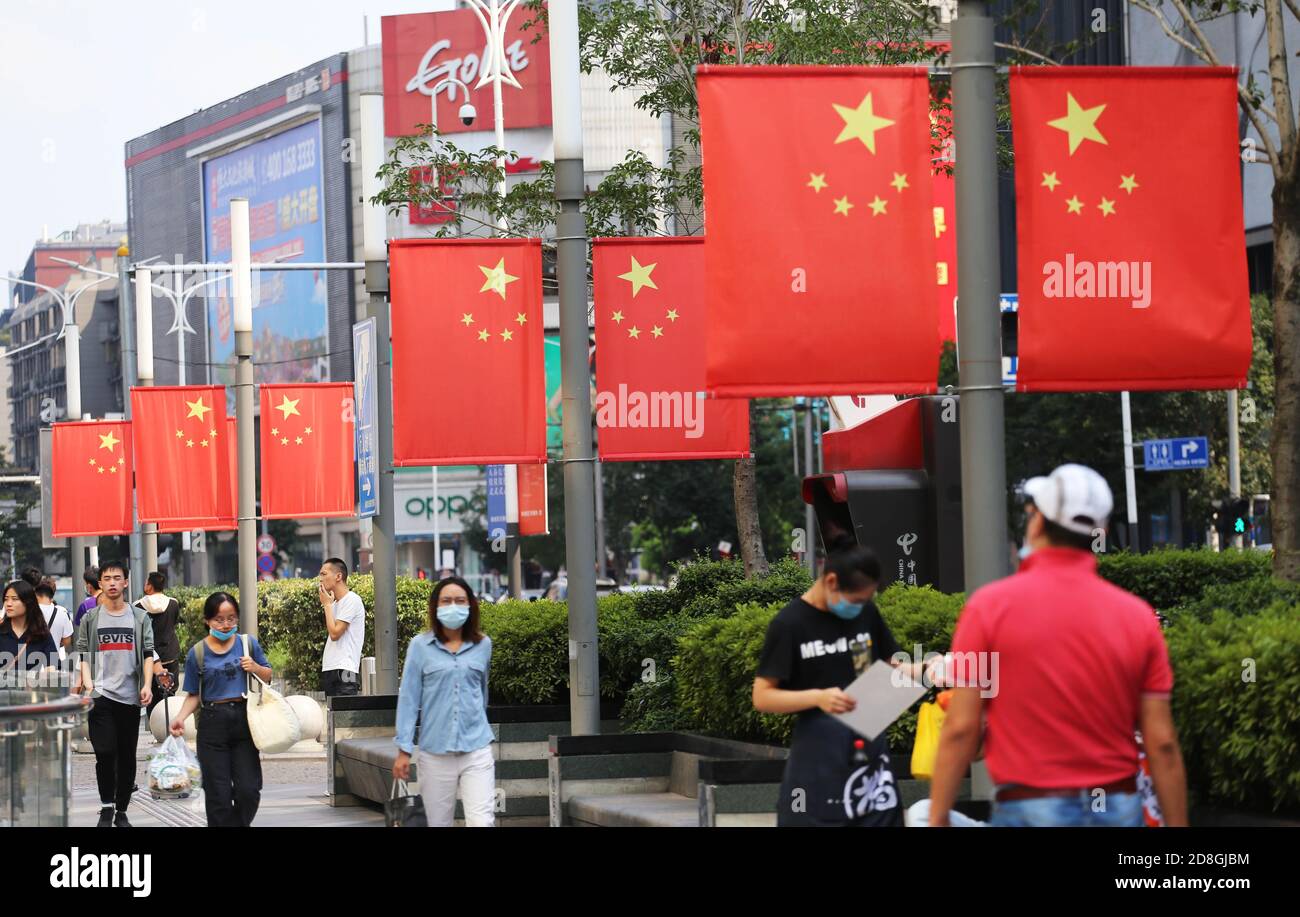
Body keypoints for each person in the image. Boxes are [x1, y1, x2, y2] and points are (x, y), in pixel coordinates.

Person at [927, 463, 1188, 827]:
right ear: (1102, 532)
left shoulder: (989, 608)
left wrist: (938, 816)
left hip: (1029, 808)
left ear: (1036, 522)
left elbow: (961, 728)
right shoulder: (1138, 617)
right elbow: (1161, 743)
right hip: (1117, 806)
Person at [752, 535, 930, 827]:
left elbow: (891, 667)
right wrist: (818, 698)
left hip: (869, 752)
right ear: (831, 582)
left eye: (867, 600)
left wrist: (929, 668)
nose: (861, 607)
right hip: (818, 756)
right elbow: (763, 696)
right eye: (857, 600)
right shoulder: (790, 625)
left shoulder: (865, 614)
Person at [392, 577, 495, 827]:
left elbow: (481, 694)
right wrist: (404, 750)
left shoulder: (483, 645)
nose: (453, 606)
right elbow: (408, 698)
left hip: (476, 748)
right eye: (446, 600)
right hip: (435, 752)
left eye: (460, 601)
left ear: (470, 605)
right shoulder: (420, 646)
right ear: (435, 607)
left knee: (481, 822)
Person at [169, 592, 272, 828]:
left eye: (231, 618)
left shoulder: (248, 644)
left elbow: (268, 674)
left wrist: (254, 666)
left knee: (249, 790)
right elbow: (194, 694)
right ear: (207, 620)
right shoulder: (198, 653)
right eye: (219, 619)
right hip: (212, 724)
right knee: (218, 796)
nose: (226, 625)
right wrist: (180, 718)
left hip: (244, 722)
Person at [73, 560, 154, 828]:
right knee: (105, 751)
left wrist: (146, 685)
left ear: (125, 582)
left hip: (130, 696)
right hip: (101, 694)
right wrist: (89, 685)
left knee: (127, 753)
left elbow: (147, 654)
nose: (111, 583)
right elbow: (83, 653)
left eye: (116, 578)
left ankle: (121, 810)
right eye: (106, 578)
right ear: (101, 584)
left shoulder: (139, 617)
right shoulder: (91, 618)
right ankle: (106, 804)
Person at [135, 571, 181, 721]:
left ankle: (156, 728)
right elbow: (174, 623)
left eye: (146, 582)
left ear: (149, 586)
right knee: (171, 691)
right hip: (170, 653)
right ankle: (170, 724)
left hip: (150, 657)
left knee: (151, 693)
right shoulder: (173, 604)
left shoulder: (138, 606)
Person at [318, 557, 366, 698]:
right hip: (330, 668)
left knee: (345, 717)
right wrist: (329, 605)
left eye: (324, 574)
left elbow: (335, 633)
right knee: (333, 718)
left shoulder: (352, 599)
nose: (320, 579)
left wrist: (326, 605)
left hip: (345, 670)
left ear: (338, 576)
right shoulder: (334, 604)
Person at [0, 580, 59, 681]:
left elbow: (52, 665)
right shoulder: (1, 631)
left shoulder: (41, 634)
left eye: (14, 599)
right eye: (6, 599)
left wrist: (47, 675)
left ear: (28, 602)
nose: (8, 604)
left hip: (30, 694)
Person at [35, 578, 74, 661]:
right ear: (52, 594)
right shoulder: (62, 612)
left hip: (29, 662)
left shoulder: (28, 611)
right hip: (53, 661)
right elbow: (67, 641)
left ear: (36, 593)